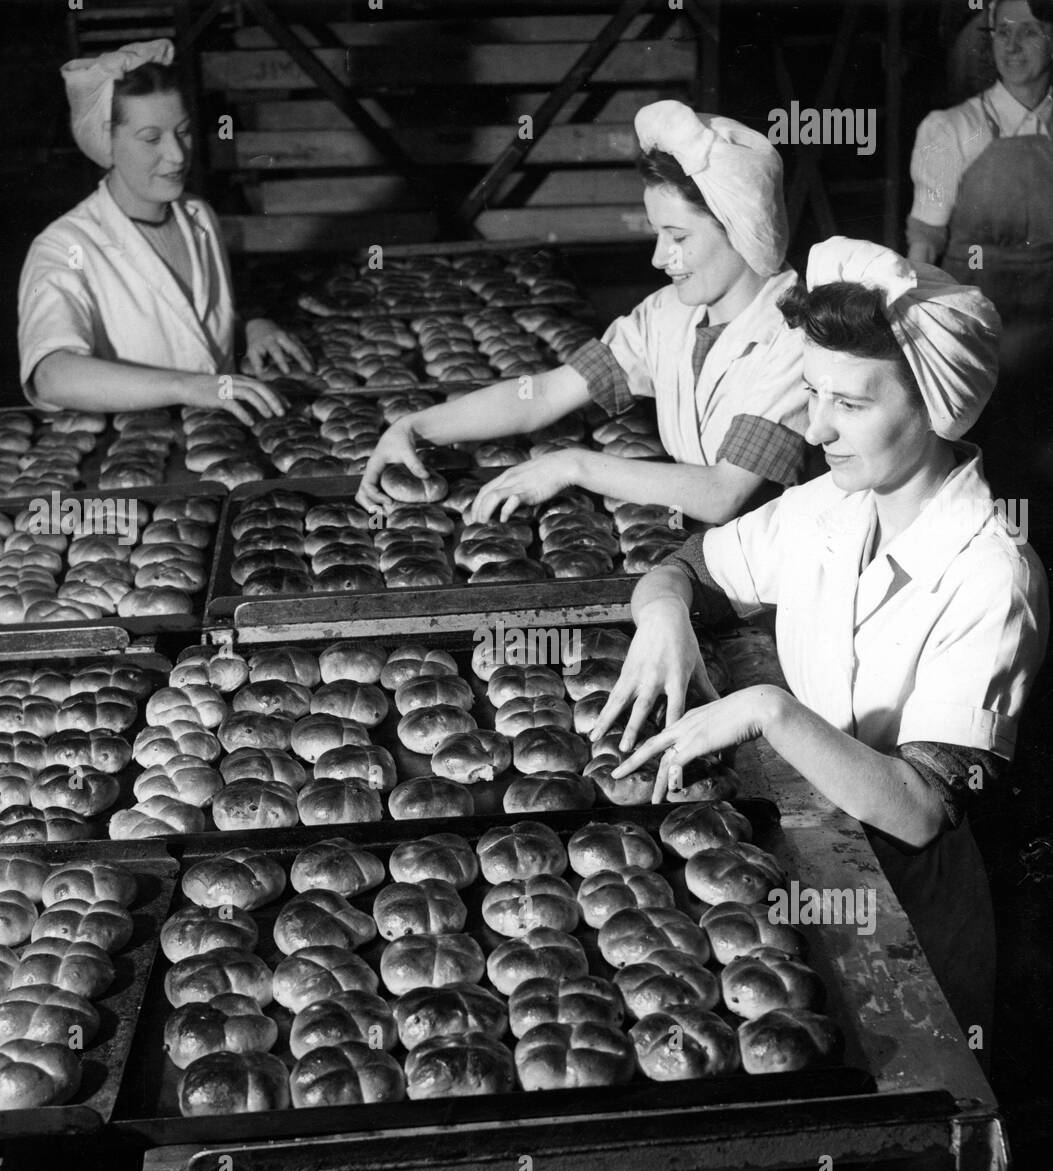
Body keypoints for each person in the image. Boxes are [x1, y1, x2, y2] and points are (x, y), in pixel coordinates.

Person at [595, 237, 1049, 1045]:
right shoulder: (828, 507)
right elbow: (684, 566)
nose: (816, 426)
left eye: (851, 402)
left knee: (900, 1108)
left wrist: (766, 709)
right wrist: (664, 615)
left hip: (911, 909)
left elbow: (918, 810)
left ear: (933, 408)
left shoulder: (990, 574)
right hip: (807, 859)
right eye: (810, 392)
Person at [357, 101, 810, 525]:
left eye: (678, 236)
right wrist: (415, 426)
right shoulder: (668, 315)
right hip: (704, 544)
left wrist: (571, 465)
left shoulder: (797, 338)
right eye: (656, 233)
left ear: (741, 230)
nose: (658, 258)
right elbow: (545, 393)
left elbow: (721, 494)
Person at [18, 40, 309, 424]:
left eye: (184, 132)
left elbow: (187, 328)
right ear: (106, 140)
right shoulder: (65, 246)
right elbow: (51, 374)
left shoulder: (198, 216)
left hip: (222, 447)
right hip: (133, 460)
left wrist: (251, 328)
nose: (176, 155)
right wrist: (187, 387)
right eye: (152, 138)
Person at [907, 0, 1053, 374]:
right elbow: (926, 239)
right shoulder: (948, 130)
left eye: (1028, 31)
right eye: (1002, 32)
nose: (1011, 45)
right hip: (976, 322)